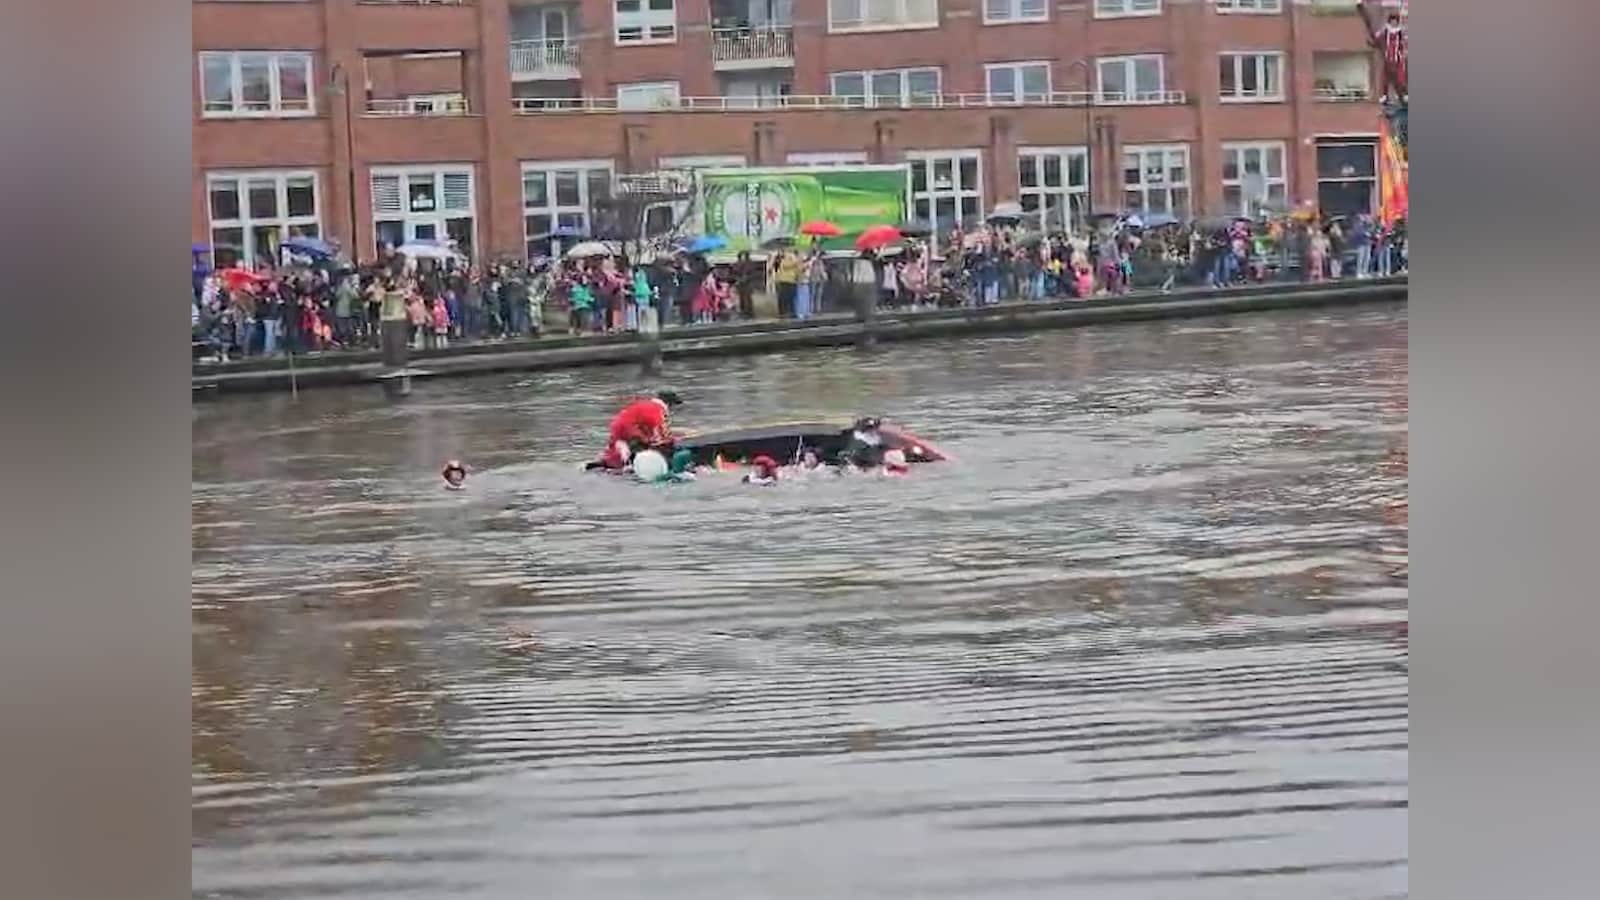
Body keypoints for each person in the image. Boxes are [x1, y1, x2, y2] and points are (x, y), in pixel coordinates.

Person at [598, 390, 683, 469]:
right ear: (669, 403)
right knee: (660, 448)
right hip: (629, 431)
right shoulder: (658, 409)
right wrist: (671, 441)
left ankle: (613, 463)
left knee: (621, 452)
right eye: (673, 405)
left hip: (619, 428)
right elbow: (660, 430)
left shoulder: (647, 404)